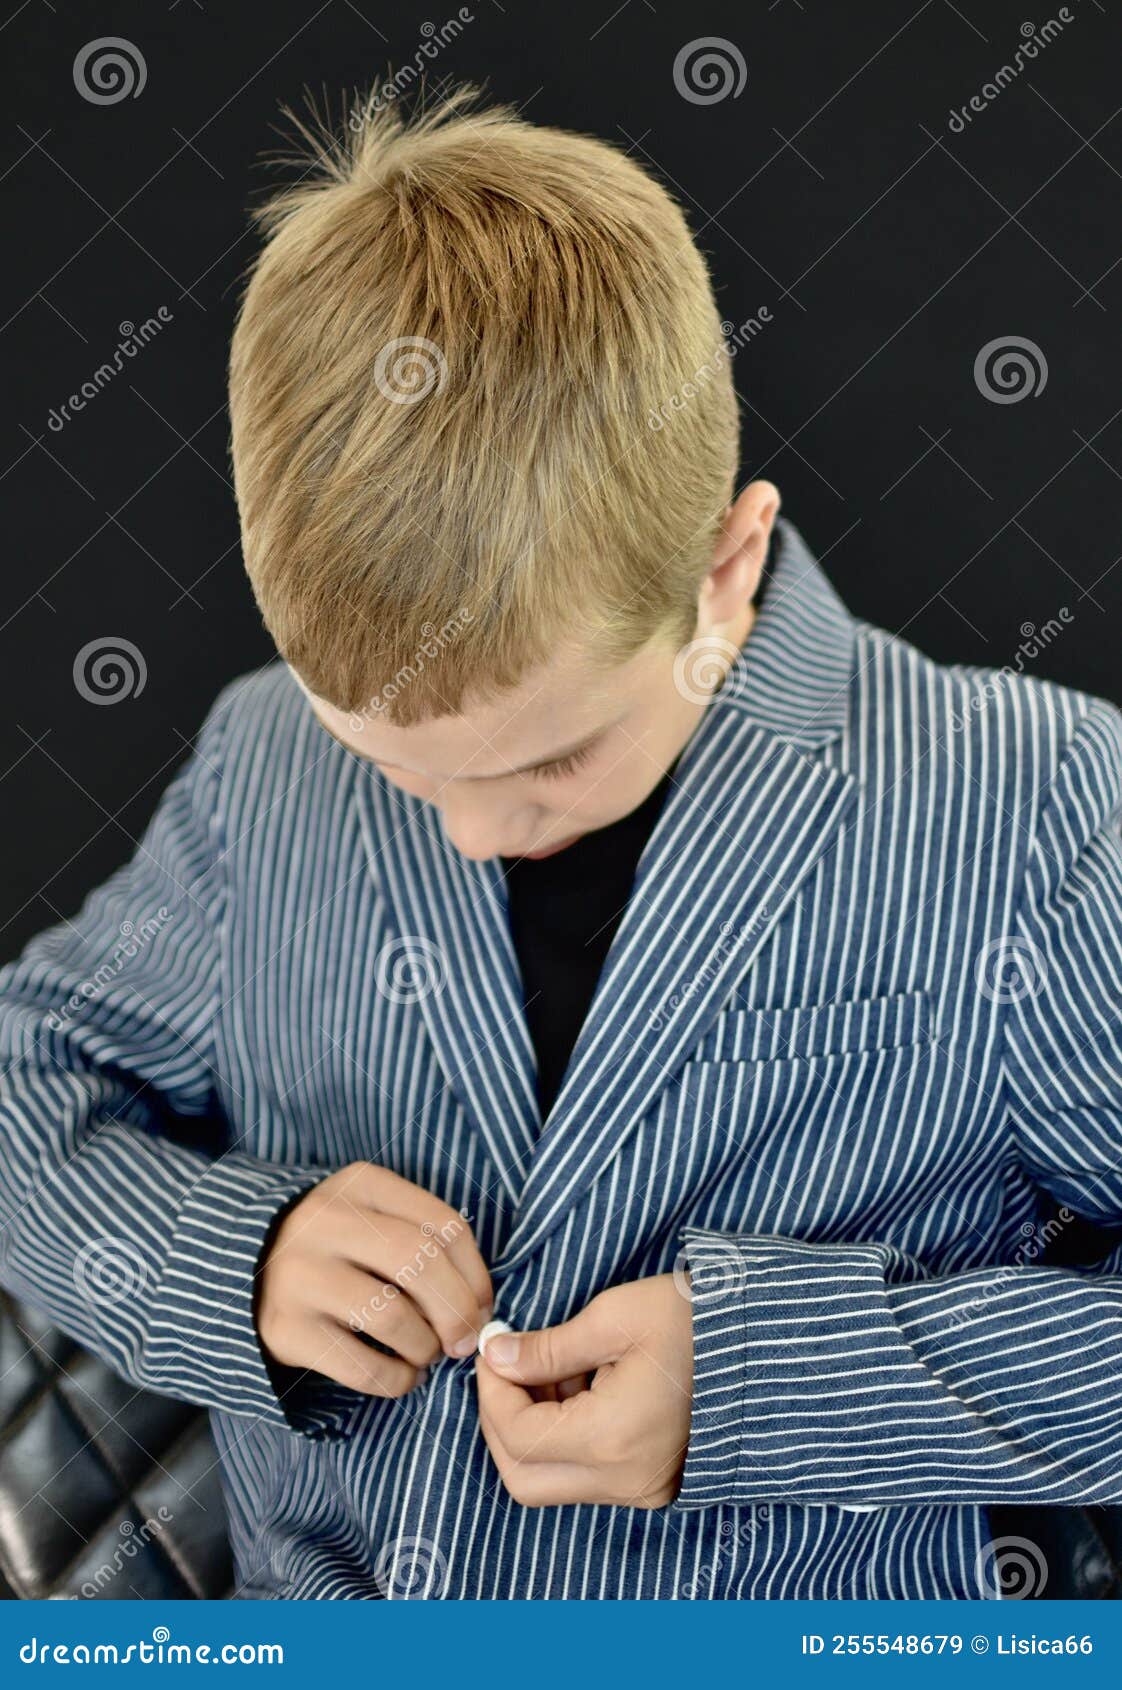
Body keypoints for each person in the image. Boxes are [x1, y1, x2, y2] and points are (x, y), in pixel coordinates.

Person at [1, 84, 1121, 1602]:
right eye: (380, 757)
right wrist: (234, 1261)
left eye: (545, 758)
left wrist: (772, 1382)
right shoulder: (259, 757)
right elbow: (23, 1091)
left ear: (722, 574)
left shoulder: (1031, 804)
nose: (466, 828)